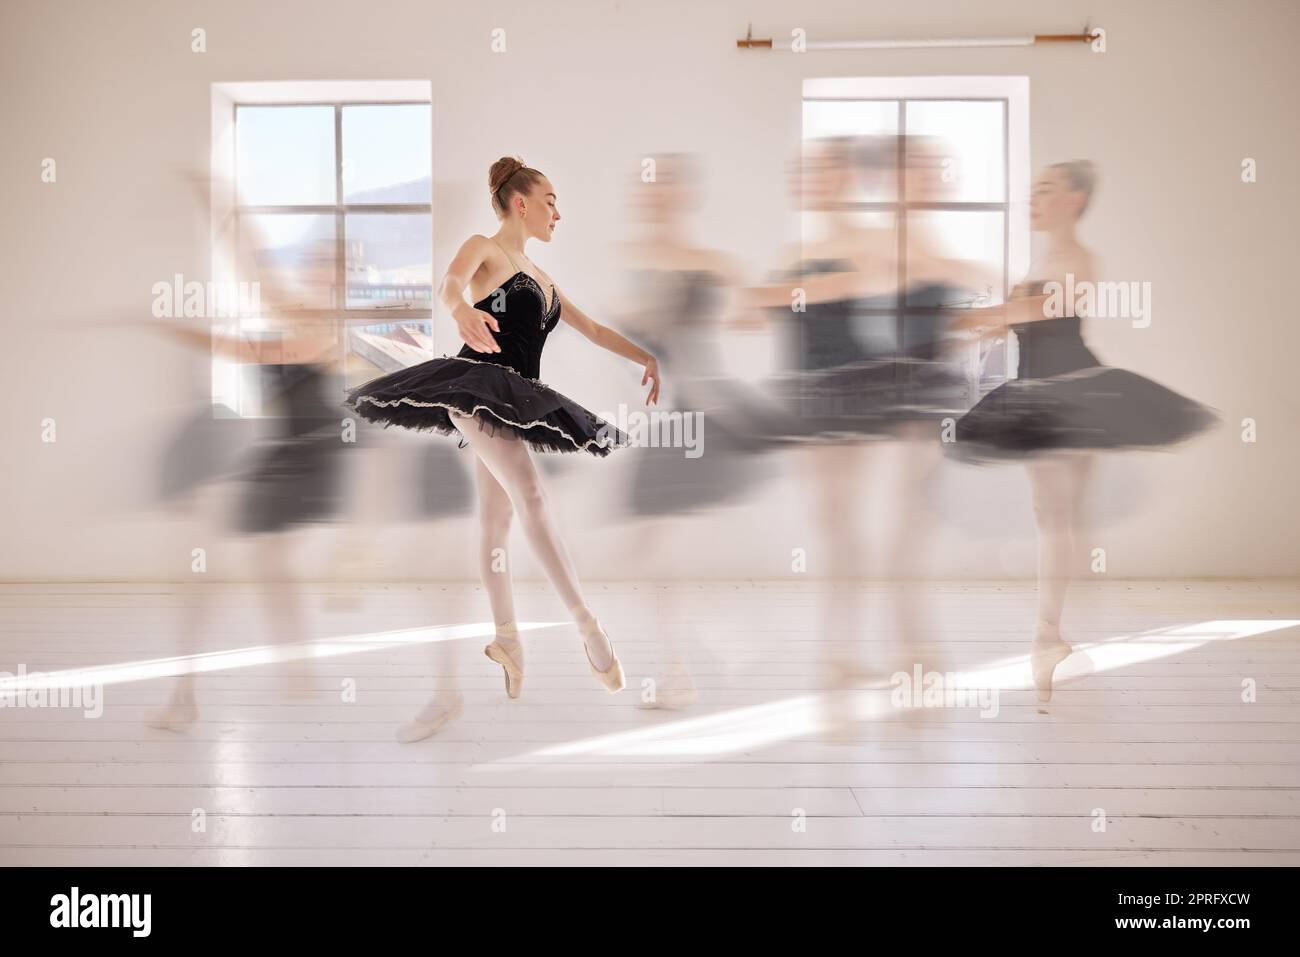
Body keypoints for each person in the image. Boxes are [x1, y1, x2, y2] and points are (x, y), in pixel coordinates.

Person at [345, 156, 661, 740]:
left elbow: (591, 329)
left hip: (515, 397)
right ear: (521, 202)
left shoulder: (543, 280)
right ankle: (587, 625)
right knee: (531, 494)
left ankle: (508, 638)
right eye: (550, 201)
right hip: (475, 388)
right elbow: (449, 283)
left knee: (495, 522)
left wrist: (643, 355)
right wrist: (462, 308)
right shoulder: (485, 249)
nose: (557, 213)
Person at [948, 160, 1218, 701]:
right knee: (1056, 514)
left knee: (1058, 516)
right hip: (1035, 389)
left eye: (1045, 189)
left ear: (1073, 199)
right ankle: (1063, 629)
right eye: (1032, 190)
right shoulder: (1041, 258)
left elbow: (1050, 307)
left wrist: (985, 314)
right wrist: (977, 324)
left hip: (1074, 391)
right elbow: (1014, 317)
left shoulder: (1079, 259)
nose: (1034, 198)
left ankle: (1049, 634)